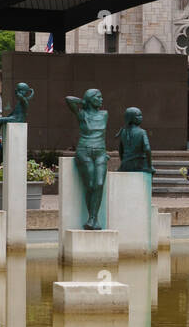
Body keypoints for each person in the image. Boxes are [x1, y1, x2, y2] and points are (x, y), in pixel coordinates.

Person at [65, 89, 109, 229]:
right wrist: (83, 101)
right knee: (90, 184)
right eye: (98, 97)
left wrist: (87, 101)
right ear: (90, 99)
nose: (102, 100)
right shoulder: (82, 114)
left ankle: (93, 219)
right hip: (84, 151)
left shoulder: (104, 114)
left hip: (100, 152)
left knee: (100, 183)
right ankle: (92, 219)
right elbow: (69, 99)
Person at [117, 107, 155, 173]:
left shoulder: (122, 132)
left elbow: (120, 150)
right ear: (131, 118)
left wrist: (124, 161)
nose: (141, 117)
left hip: (125, 164)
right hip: (139, 164)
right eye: (138, 115)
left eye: (141, 115)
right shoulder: (142, 132)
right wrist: (149, 166)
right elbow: (147, 149)